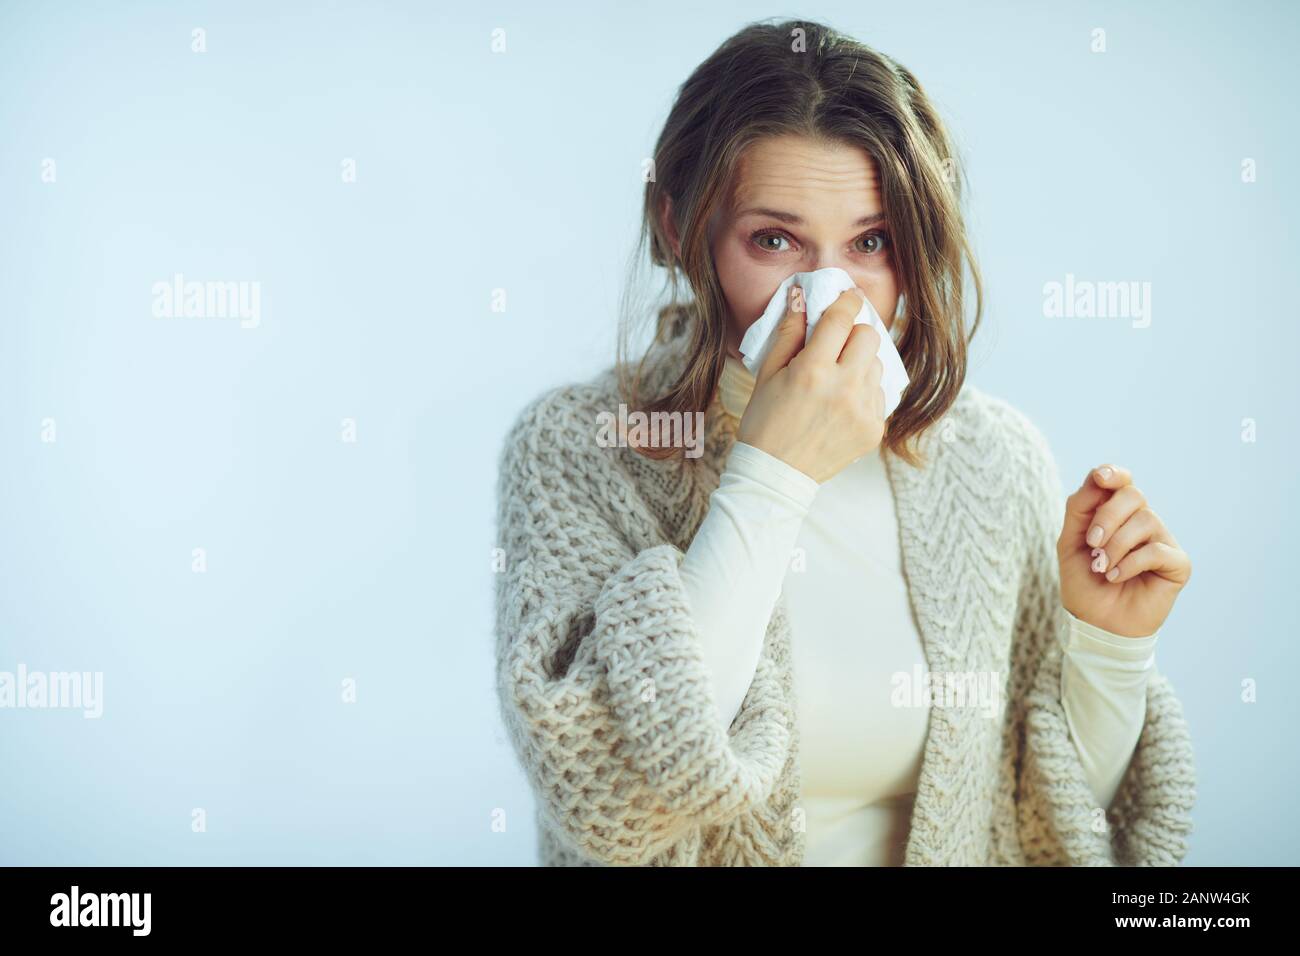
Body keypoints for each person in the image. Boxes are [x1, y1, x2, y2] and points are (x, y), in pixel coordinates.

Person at [493, 18, 1195, 866]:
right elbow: (607, 795)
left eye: (872, 243)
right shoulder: (581, 448)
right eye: (774, 240)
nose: (828, 298)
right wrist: (771, 475)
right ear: (680, 231)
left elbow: (1041, 822)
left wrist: (1110, 651)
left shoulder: (990, 459)